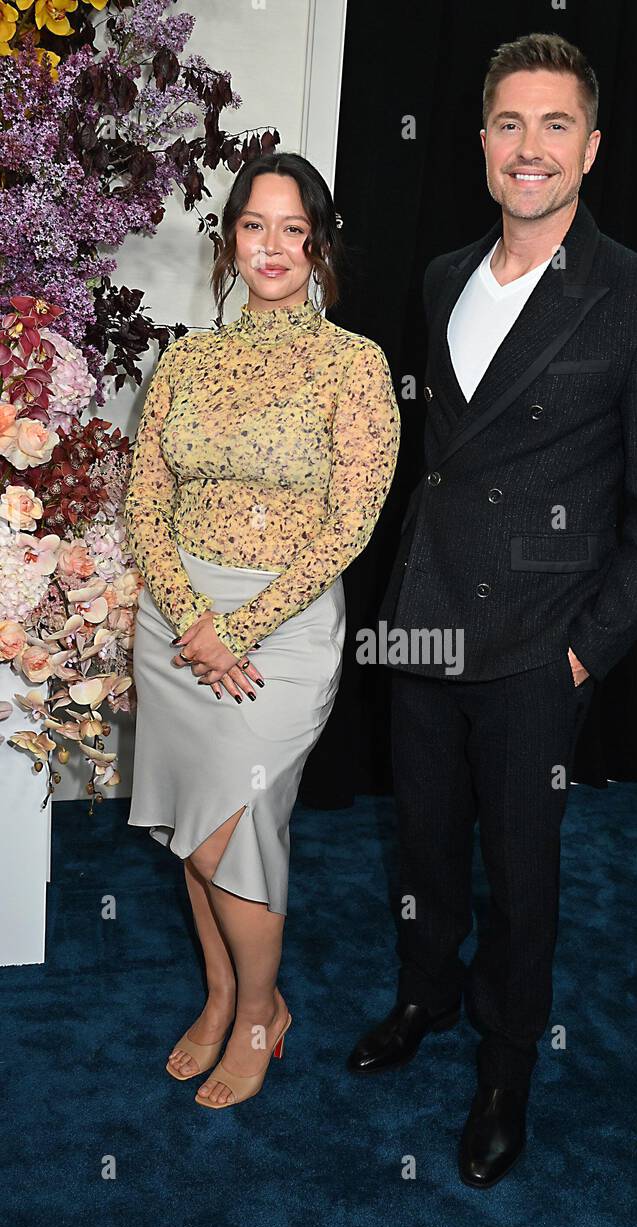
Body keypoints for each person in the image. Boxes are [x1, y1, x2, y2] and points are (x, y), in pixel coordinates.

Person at [348, 33, 637, 1187]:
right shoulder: (443, 274)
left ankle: (505, 1071)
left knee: (522, 872)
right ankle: (423, 994)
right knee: (419, 840)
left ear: (592, 149)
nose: (530, 147)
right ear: (483, 141)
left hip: (534, 652)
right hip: (424, 619)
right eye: (510, 124)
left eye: (556, 126)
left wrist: (581, 658)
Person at [125, 152, 401, 1110]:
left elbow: (350, 522)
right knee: (196, 834)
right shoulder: (189, 358)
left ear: (318, 246)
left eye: (294, 229)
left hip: (279, 631)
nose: (274, 247)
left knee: (228, 838)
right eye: (255, 226)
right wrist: (194, 620)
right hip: (177, 622)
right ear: (230, 241)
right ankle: (221, 999)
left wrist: (238, 626)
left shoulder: (354, 366)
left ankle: (259, 1013)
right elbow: (145, 497)